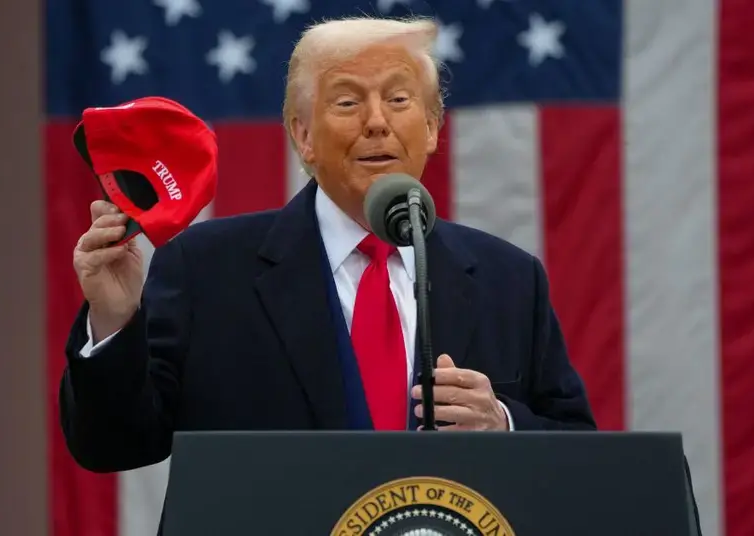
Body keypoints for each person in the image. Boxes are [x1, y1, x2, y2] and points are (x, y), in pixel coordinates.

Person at [60, 14, 595, 474]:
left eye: (399, 99)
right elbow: (113, 446)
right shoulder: (206, 269)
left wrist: (502, 424)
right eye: (347, 102)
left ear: (432, 128)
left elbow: (579, 455)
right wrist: (114, 321)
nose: (377, 122)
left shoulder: (509, 279)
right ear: (303, 136)